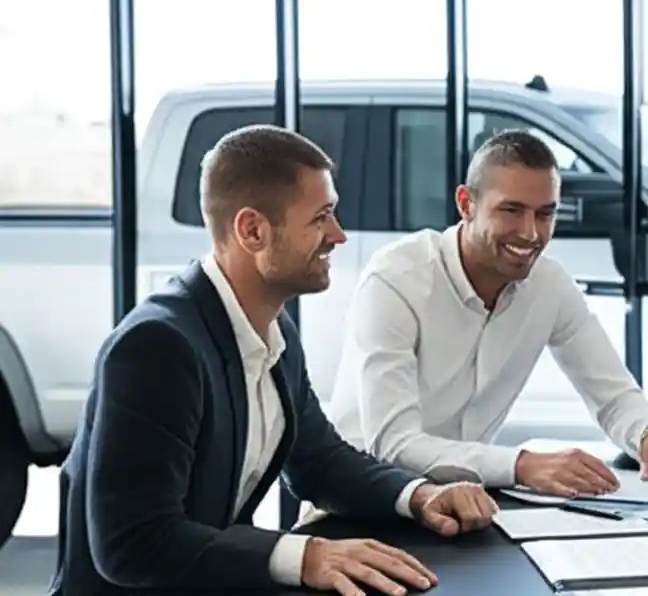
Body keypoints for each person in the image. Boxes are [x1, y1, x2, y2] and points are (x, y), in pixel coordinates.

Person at [50, 125, 498, 596]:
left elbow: (318, 461)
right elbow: (132, 544)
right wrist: (304, 554)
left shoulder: (274, 329)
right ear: (253, 231)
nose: (338, 235)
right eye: (321, 218)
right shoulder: (157, 347)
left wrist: (418, 496)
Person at [324, 129, 648, 498]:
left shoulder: (549, 285)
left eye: (544, 214)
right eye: (512, 211)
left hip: (465, 505)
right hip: (364, 503)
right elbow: (393, 443)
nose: (531, 233)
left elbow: (614, 396)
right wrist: (522, 465)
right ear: (466, 204)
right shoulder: (397, 278)